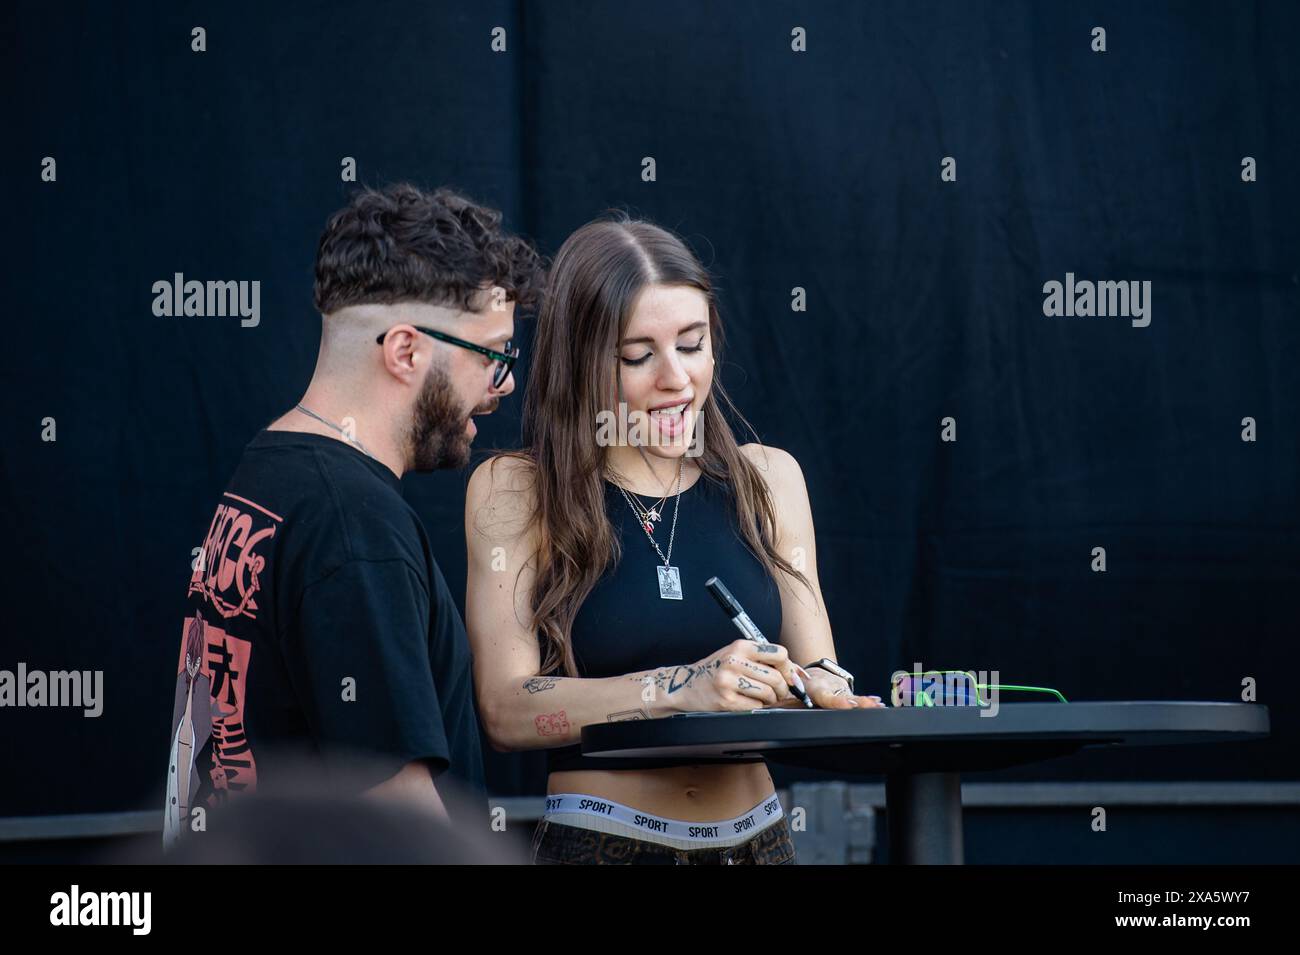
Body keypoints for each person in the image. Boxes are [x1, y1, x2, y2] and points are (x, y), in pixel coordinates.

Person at [465, 213, 883, 865]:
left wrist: (826, 687)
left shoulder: (769, 477)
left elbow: (819, 662)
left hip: (760, 842)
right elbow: (505, 709)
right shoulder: (515, 490)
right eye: (638, 355)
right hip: (605, 844)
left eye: (692, 345)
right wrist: (678, 687)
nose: (676, 378)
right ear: (580, 362)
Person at [163, 183, 544, 850]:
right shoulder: (354, 526)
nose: (505, 383)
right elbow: (405, 824)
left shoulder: (267, 472)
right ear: (404, 351)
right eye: (495, 354)